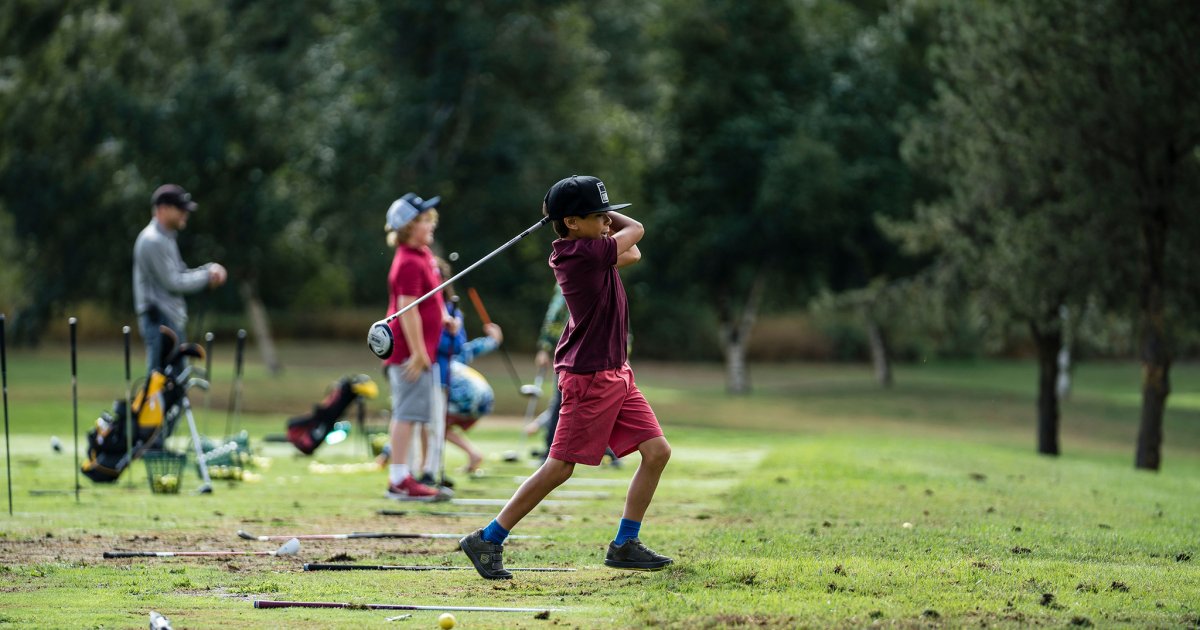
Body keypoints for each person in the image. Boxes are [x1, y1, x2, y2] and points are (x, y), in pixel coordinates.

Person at [459, 175, 673, 579]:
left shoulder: (590, 248)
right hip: (589, 377)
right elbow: (638, 231)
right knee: (559, 468)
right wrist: (605, 217)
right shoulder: (580, 255)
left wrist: (594, 213)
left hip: (616, 372)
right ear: (572, 222)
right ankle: (488, 537)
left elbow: (634, 254)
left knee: (657, 452)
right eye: (598, 216)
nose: (608, 223)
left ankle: (626, 543)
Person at [381, 192, 452, 501]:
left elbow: (429, 300)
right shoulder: (408, 261)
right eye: (424, 220)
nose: (430, 224)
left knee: (413, 413)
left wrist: (445, 317)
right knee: (406, 414)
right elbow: (407, 309)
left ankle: (404, 475)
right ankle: (399, 479)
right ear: (408, 227)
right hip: (410, 354)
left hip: (421, 351)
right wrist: (420, 352)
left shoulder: (422, 255)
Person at [132, 184, 227, 375]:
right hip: (159, 320)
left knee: (173, 385)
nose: (185, 214)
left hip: (169, 319)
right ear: (163, 209)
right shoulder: (153, 240)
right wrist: (207, 276)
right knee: (159, 386)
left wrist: (207, 271)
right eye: (180, 209)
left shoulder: (166, 237)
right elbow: (173, 282)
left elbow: (180, 273)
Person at [527, 284, 621, 468]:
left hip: (601, 352)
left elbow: (618, 319)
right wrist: (546, 348)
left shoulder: (607, 278)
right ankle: (550, 451)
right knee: (563, 401)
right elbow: (554, 317)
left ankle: (607, 451)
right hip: (572, 352)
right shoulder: (573, 275)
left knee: (603, 401)